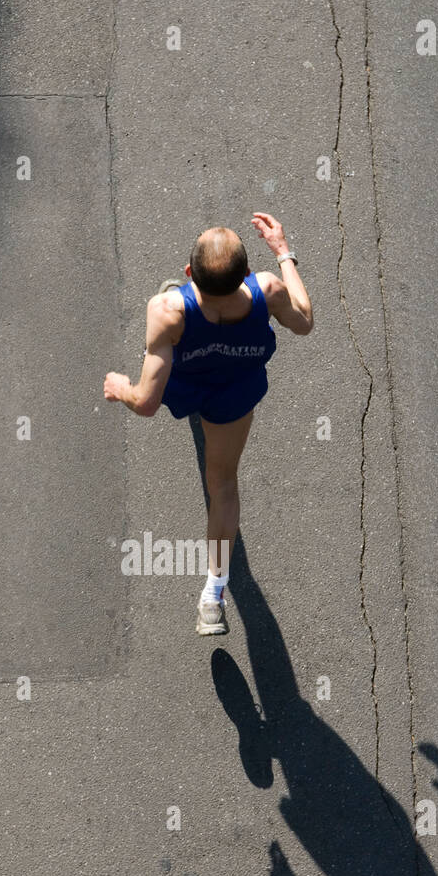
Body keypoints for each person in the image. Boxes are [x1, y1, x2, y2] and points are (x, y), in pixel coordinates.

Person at [104, 212, 313, 634]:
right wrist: (284, 253)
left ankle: (191, 328)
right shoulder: (268, 289)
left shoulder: (165, 311)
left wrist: (120, 386)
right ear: (248, 274)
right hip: (234, 394)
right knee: (223, 484)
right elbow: (304, 321)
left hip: (187, 385)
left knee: (172, 332)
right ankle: (214, 595)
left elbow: (145, 402)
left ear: (188, 273)